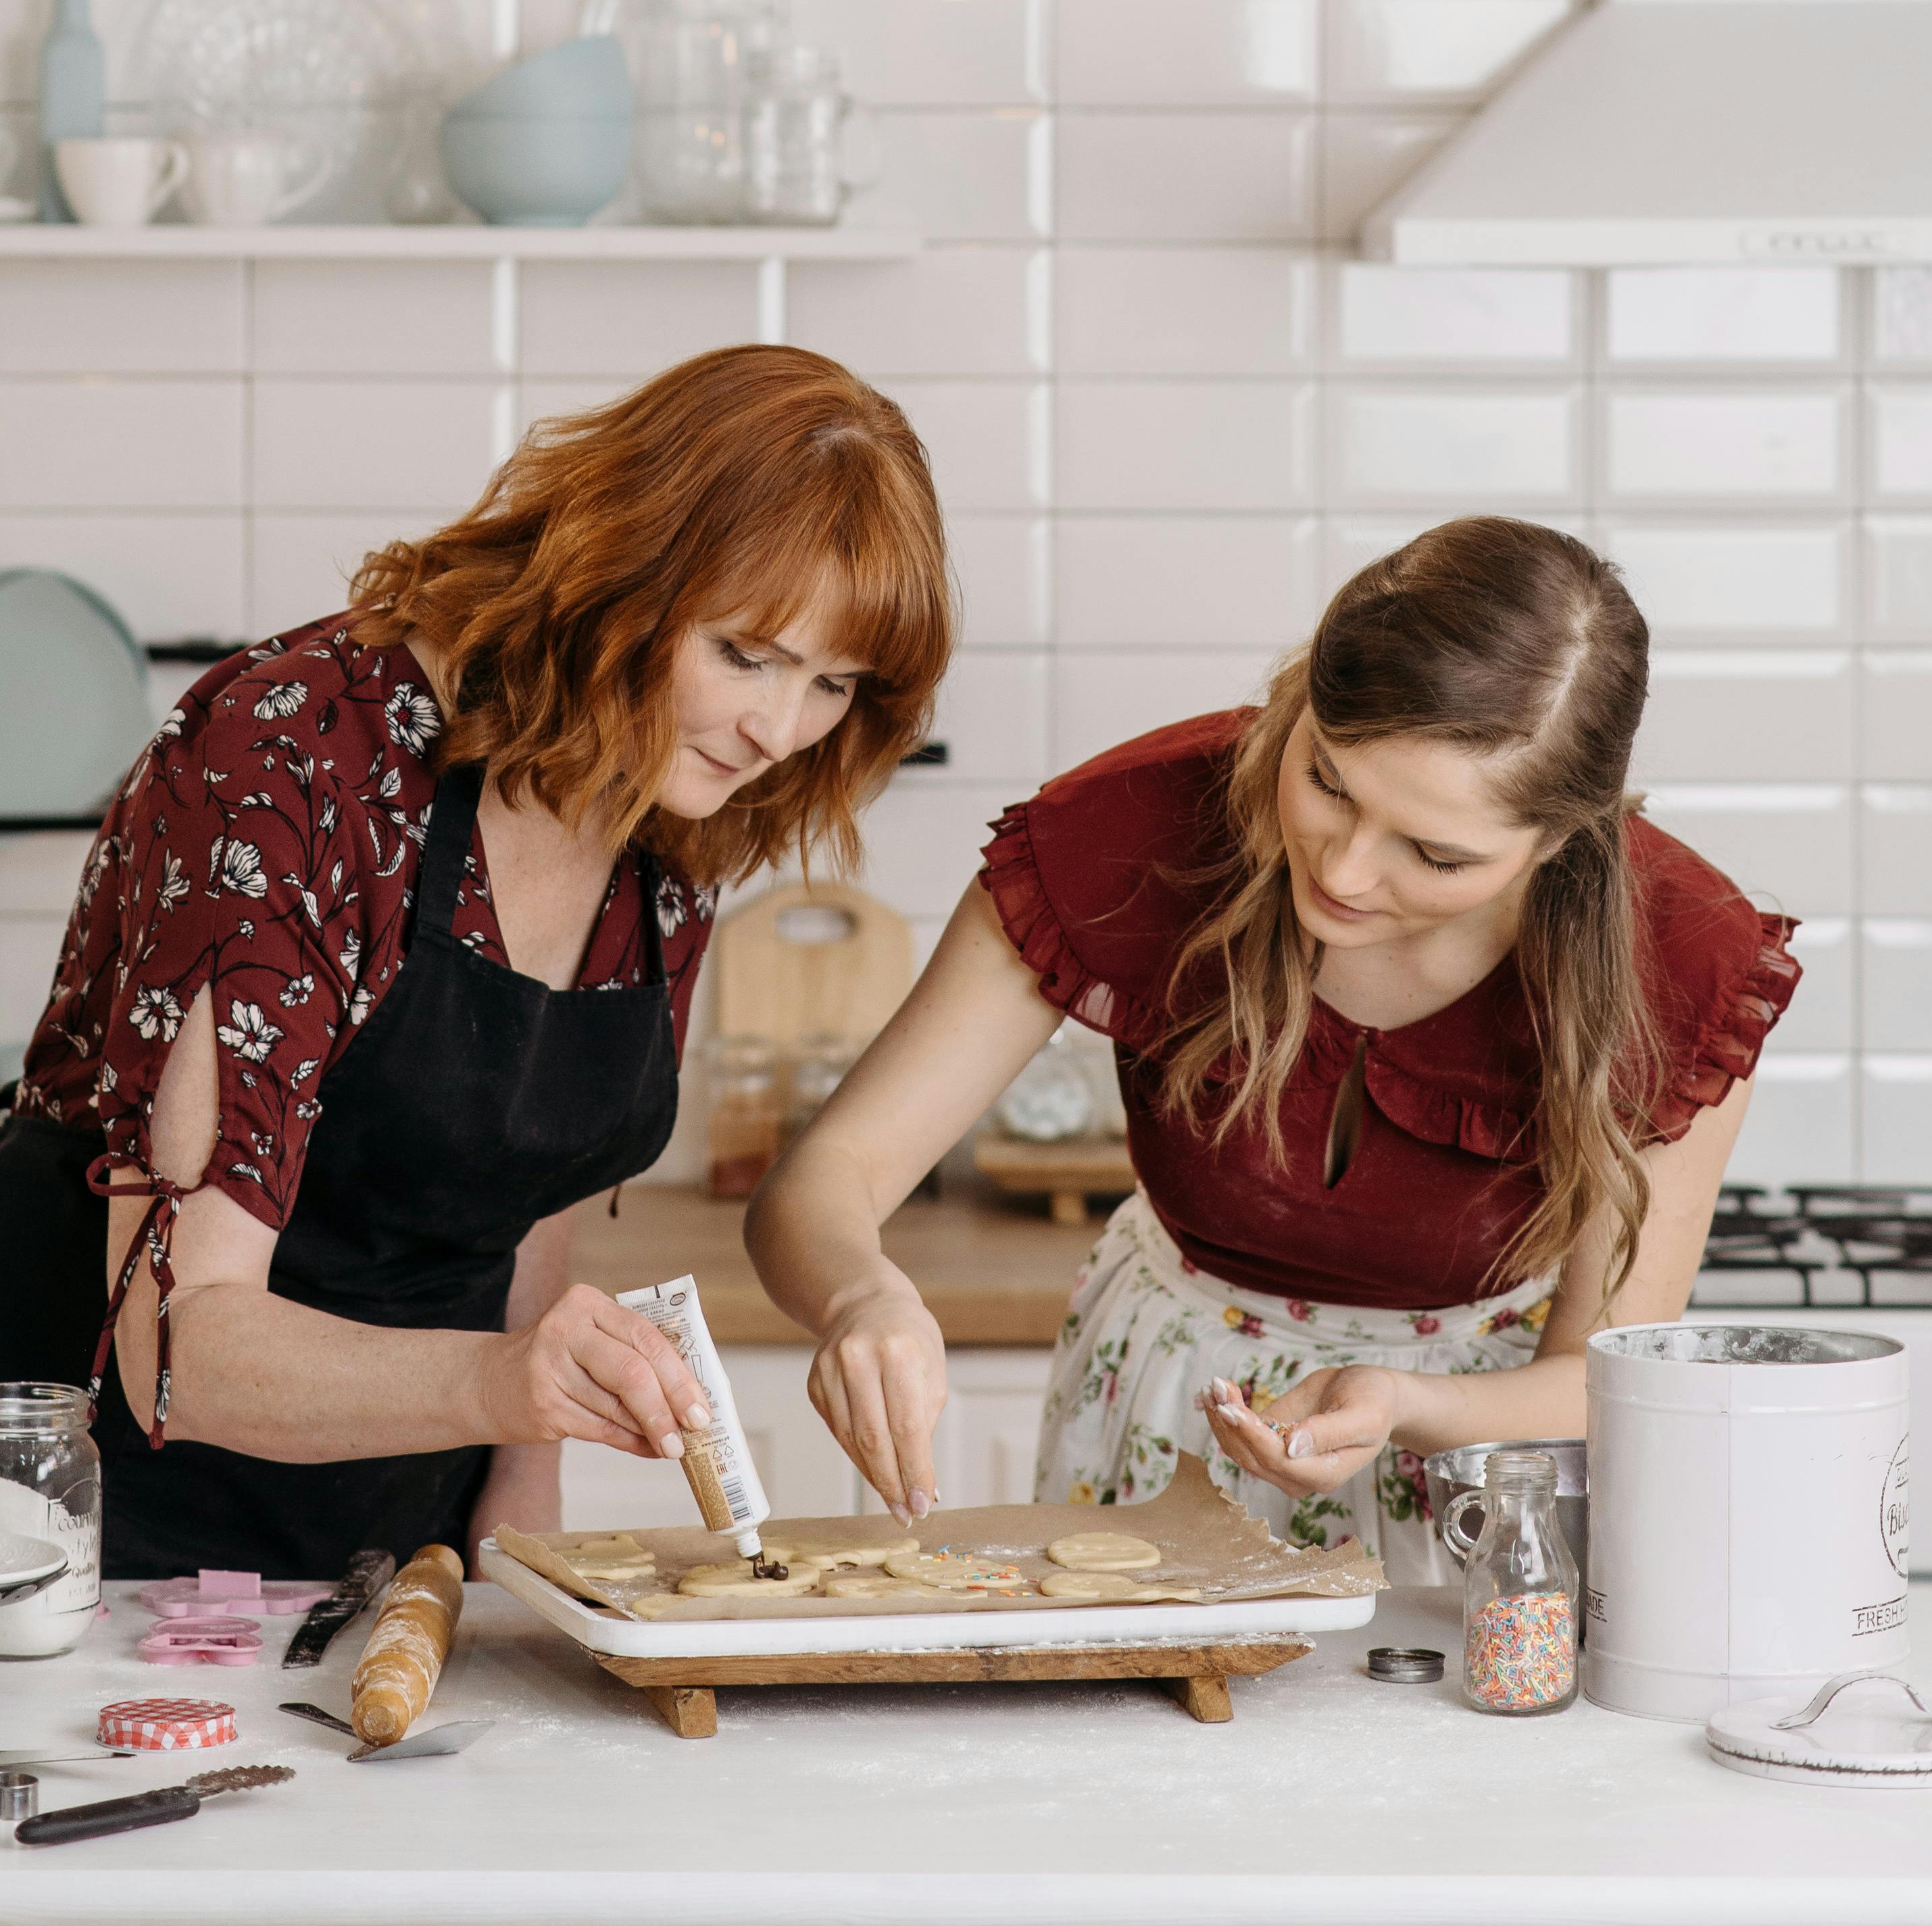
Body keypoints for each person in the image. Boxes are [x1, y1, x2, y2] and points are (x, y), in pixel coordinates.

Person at [0, 345, 952, 1575]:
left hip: (393, 1507)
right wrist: (505, 1383)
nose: (776, 728)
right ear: (620, 566)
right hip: (57, 1507)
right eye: (746, 653)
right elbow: (177, 1348)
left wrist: (522, 1478)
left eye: (833, 684)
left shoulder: (672, 801)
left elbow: (532, 1172)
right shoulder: (292, 760)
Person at [746, 517, 1799, 1573]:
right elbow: (822, 1179)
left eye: (1433, 854)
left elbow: (1603, 1379)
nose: (1342, 872)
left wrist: (1402, 1404)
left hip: (1476, 1459)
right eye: (1328, 781)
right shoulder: (1134, 826)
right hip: (1158, 1418)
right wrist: (857, 1294)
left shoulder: (1683, 962)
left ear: (1564, 837)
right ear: (1304, 703)